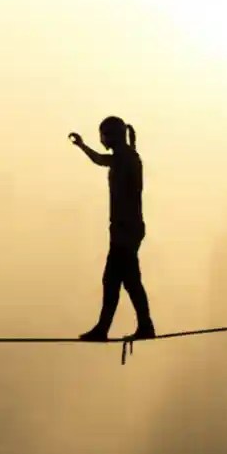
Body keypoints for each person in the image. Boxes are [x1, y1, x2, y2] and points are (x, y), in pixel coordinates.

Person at [69, 116, 156, 353]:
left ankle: (109, 328)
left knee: (116, 280)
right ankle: (135, 326)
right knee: (124, 280)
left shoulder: (126, 159)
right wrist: (82, 146)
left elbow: (104, 161)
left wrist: (82, 146)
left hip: (125, 231)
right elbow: (101, 160)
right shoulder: (125, 158)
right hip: (125, 229)